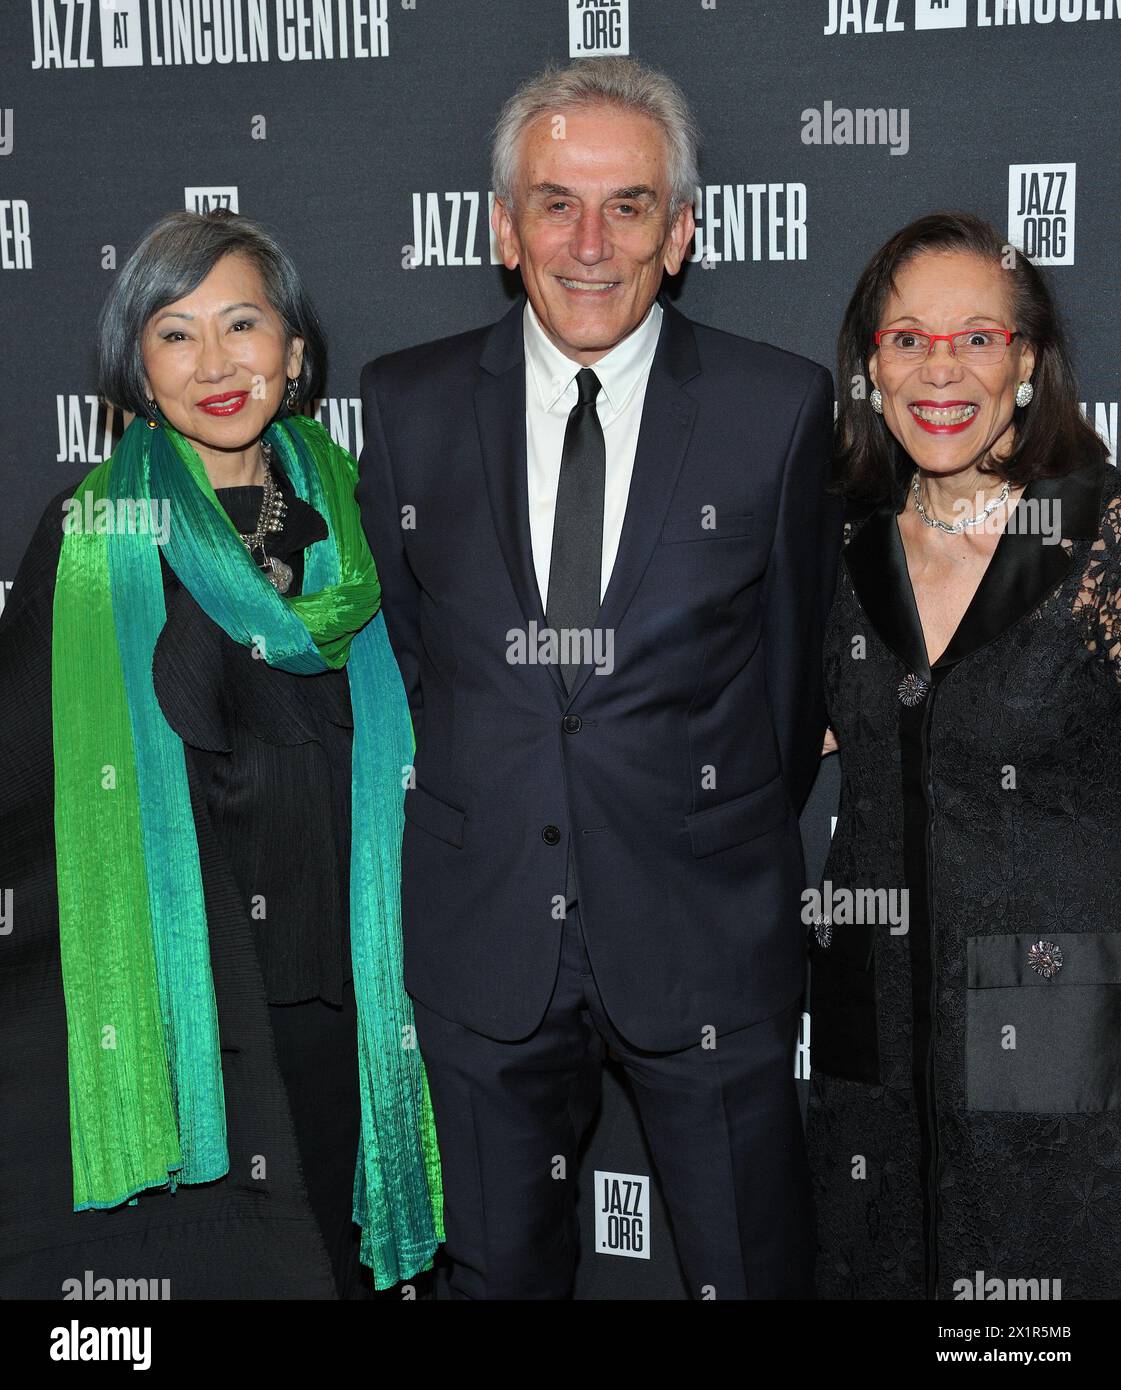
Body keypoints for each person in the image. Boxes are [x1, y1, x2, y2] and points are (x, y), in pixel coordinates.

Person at [358, 57, 840, 1299]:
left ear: (679, 233)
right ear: (500, 226)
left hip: (705, 931)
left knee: (752, 1270)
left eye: (627, 205)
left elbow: (785, 688)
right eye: (553, 203)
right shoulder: (404, 406)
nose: (588, 242)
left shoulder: (772, 408)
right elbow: (421, 658)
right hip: (484, 935)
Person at [0, 209, 442, 1299]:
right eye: (174, 332)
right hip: (197, 988)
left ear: (294, 353)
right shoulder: (92, 536)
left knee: (345, 1261)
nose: (215, 363)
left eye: (241, 324)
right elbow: (27, 782)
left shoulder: (363, 513)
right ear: (136, 374)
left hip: (363, 965)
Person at [807, 210, 1121, 1299]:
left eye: (976, 337)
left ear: (1025, 361)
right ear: (870, 365)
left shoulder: (1101, 541)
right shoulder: (833, 548)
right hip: (873, 1052)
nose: (939, 368)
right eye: (906, 339)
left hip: (1057, 1053)